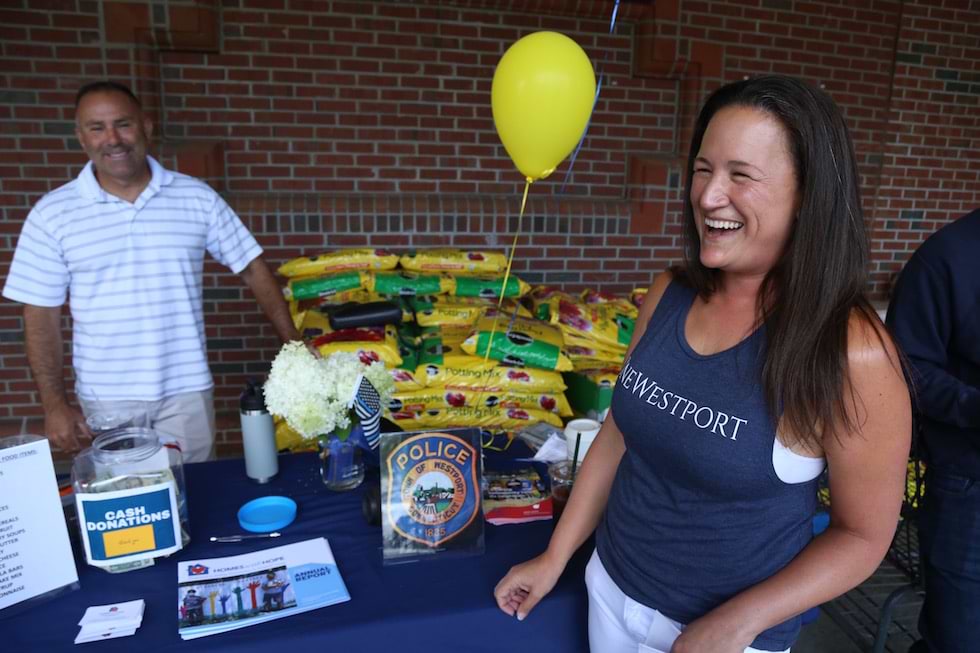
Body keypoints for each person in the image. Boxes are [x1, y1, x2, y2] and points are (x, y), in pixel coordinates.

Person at [495, 75, 912, 653]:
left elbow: (863, 535)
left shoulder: (851, 351)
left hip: (723, 639)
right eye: (702, 169)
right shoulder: (669, 292)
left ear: (809, 195)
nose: (709, 196)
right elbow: (619, 432)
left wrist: (737, 624)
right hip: (610, 590)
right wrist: (556, 555)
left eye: (741, 175)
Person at [1, 81, 300, 462]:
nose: (113, 139)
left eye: (123, 124)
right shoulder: (52, 214)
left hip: (186, 393)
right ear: (81, 138)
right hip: (106, 399)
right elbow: (40, 315)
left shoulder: (196, 197)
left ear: (146, 127)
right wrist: (54, 405)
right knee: (128, 508)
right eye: (97, 127)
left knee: (192, 501)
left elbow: (253, 268)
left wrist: (293, 343)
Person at [885, 208, 980, 653]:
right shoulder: (948, 257)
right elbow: (903, 366)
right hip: (969, 487)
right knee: (958, 640)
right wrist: (971, 405)